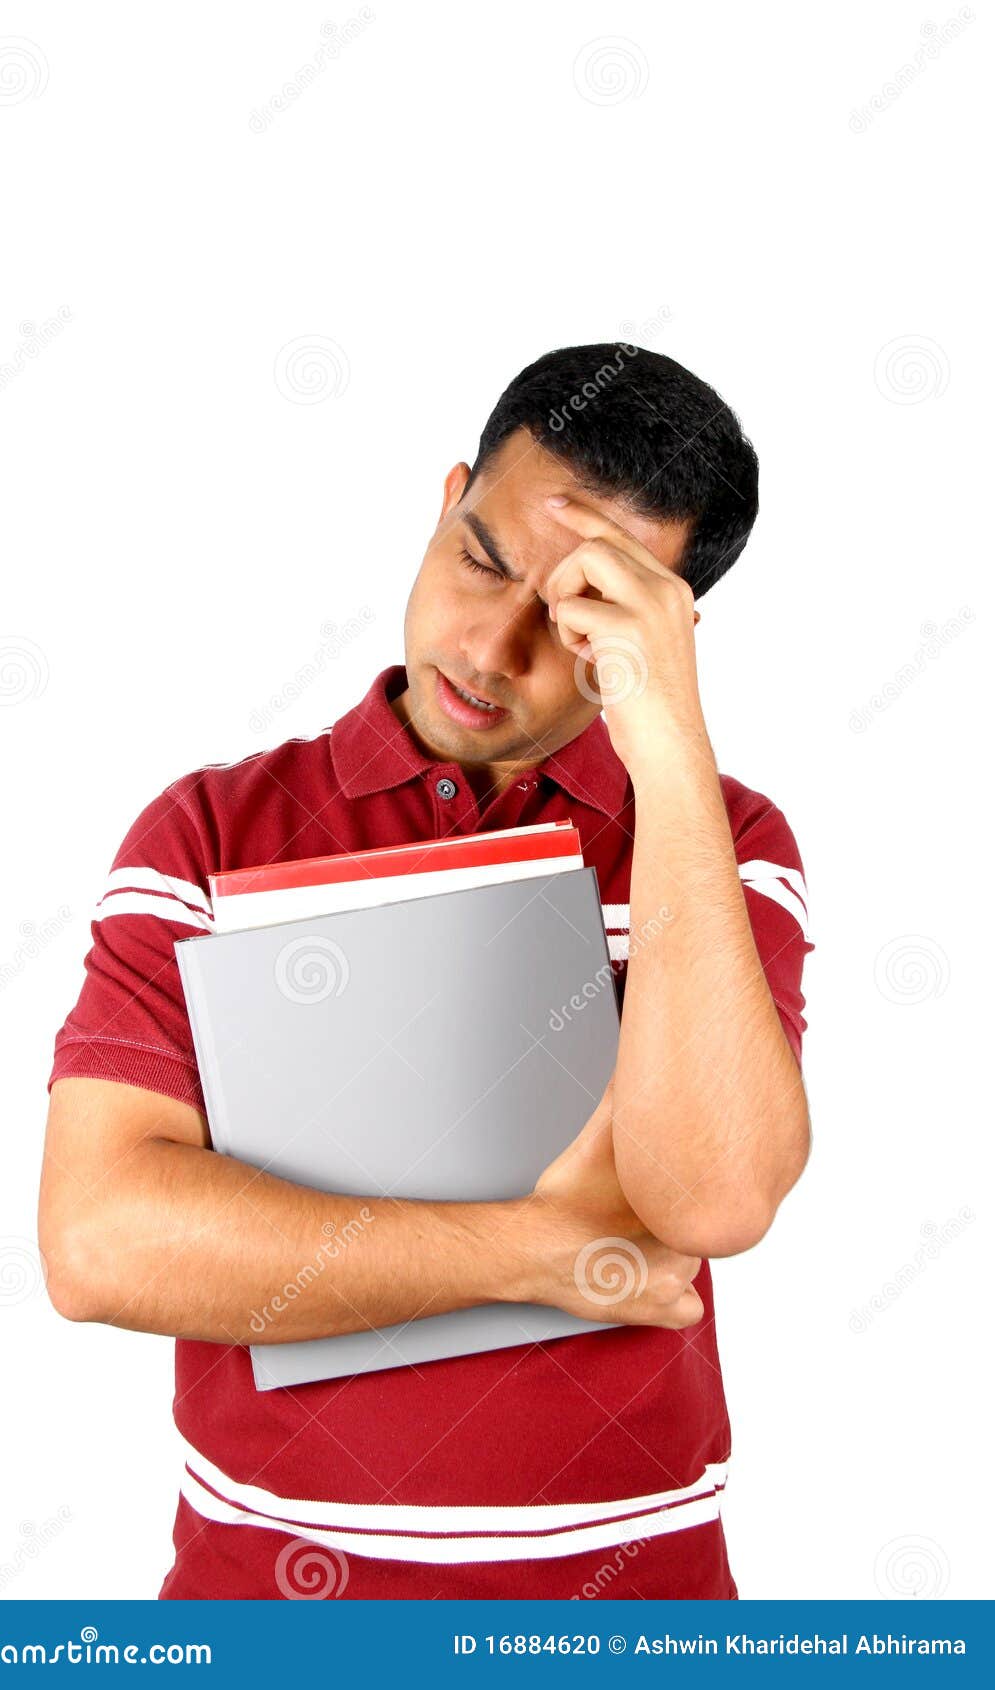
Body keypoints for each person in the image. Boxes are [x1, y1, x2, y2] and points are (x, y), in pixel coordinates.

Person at [39, 343, 813, 1600]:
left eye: (574, 621)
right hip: (270, 1623)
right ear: (446, 500)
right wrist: (534, 1251)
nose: (491, 650)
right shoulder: (206, 834)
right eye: (482, 560)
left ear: (662, 633)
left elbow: (714, 1198)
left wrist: (666, 743)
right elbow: (99, 1242)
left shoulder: (725, 848)